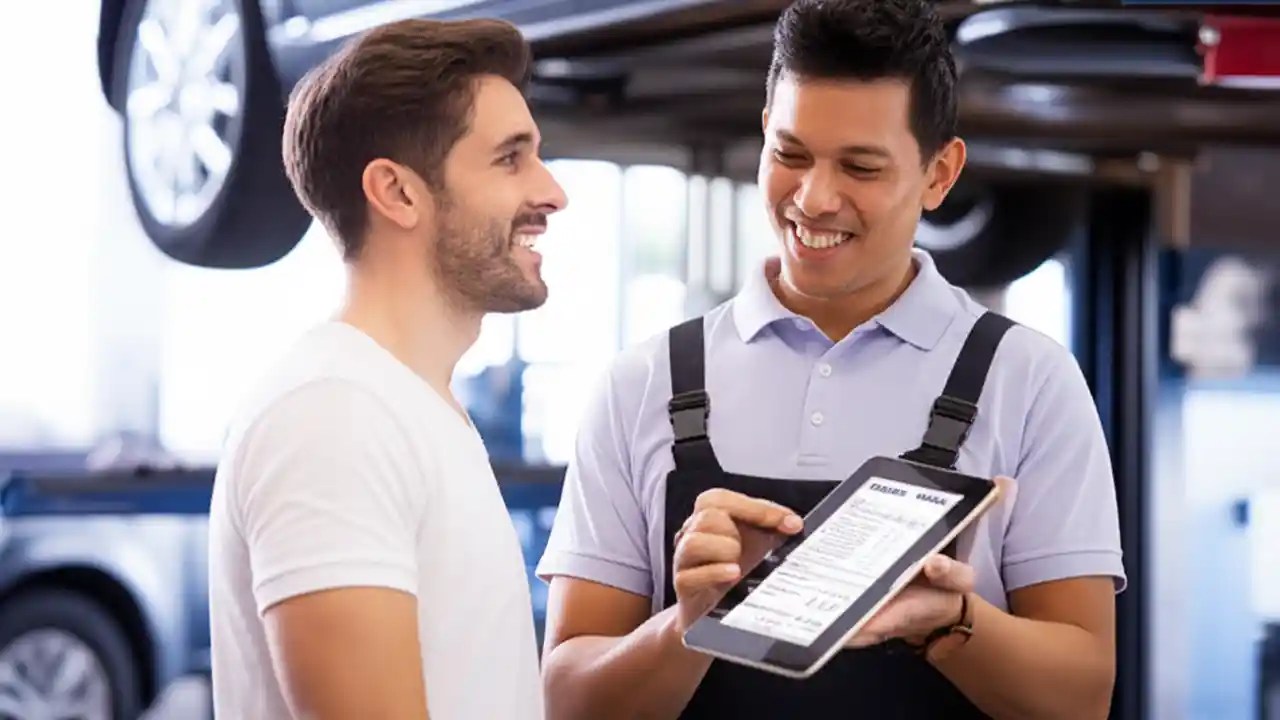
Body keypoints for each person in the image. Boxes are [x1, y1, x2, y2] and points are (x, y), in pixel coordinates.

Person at [535, 0, 1125, 718]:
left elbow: (1083, 698)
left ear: (940, 174)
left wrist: (949, 622)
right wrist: (688, 625)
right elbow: (569, 699)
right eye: (790, 154)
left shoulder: (1029, 381)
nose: (813, 199)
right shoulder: (646, 383)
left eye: (861, 167)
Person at [207, 17, 566, 720]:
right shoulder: (333, 414)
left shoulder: (406, 404)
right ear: (398, 193)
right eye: (510, 159)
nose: (553, 191)